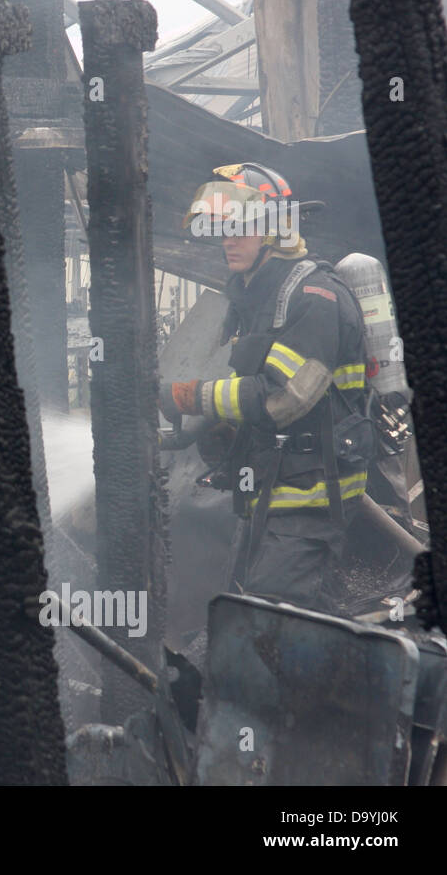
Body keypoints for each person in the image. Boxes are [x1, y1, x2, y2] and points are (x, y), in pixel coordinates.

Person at [160, 163, 373, 613]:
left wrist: (190, 396)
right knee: (273, 615)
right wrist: (205, 430)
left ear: (276, 231)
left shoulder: (315, 298)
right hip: (271, 491)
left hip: (310, 497)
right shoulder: (257, 298)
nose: (227, 239)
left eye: (241, 228)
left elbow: (282, 399)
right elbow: (246, 389)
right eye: (223, 228)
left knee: (271, 622)